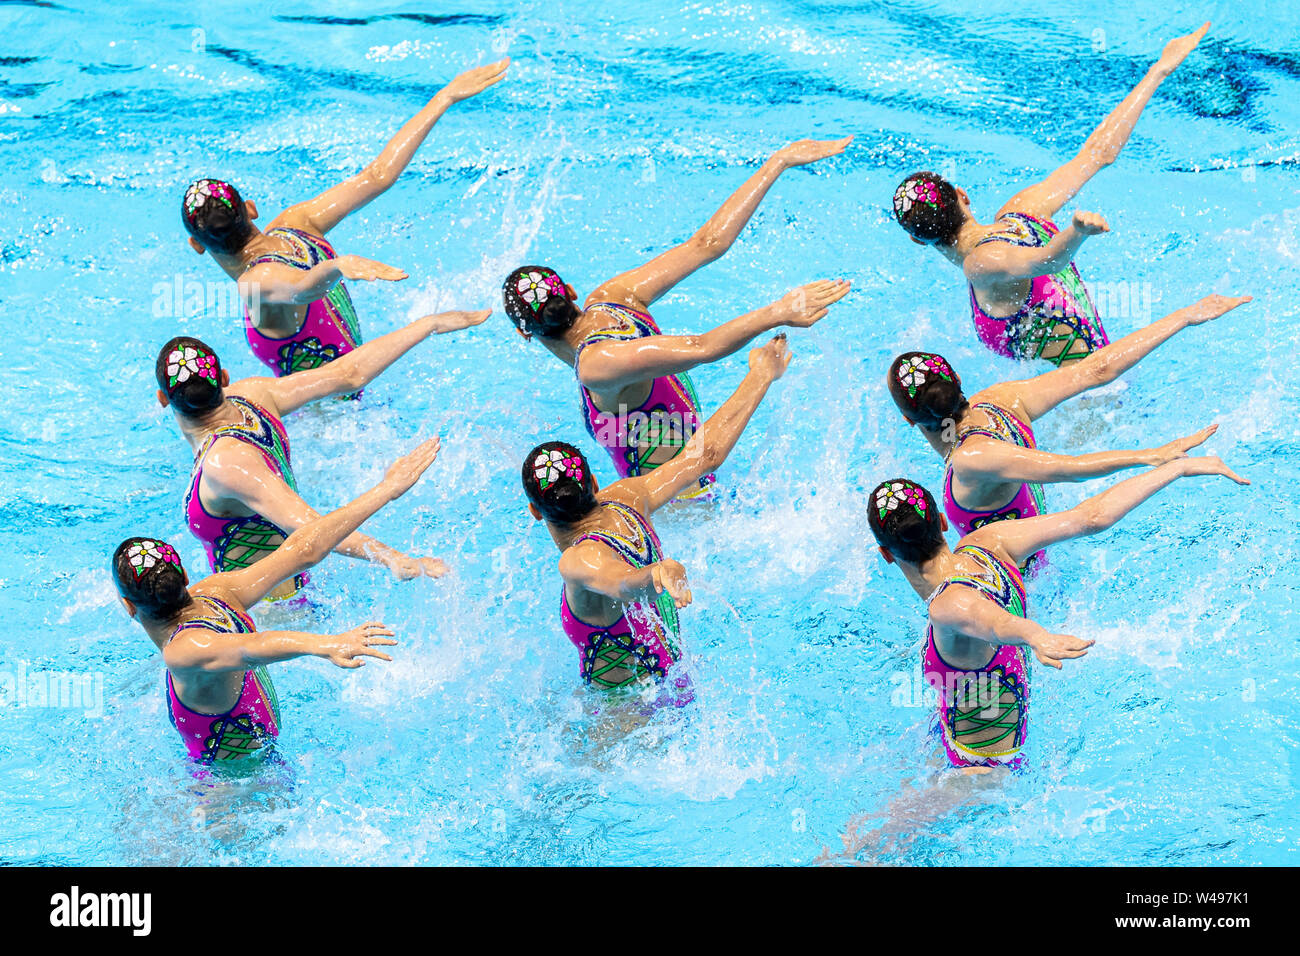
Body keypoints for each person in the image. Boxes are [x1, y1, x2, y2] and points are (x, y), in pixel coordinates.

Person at [503, 135, 852, 496]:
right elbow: (706, 245)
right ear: (571, 292)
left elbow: (701, 347)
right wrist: (776, 162)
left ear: (524, 334)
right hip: (703, 473)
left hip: (683, 507)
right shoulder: (614, 296)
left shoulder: (596, 364)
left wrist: (777, 312)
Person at [867, 456, 1248, 769]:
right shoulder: (988, 542)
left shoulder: (946, 606)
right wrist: (1176, 468)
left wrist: (1035, 635)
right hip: (963, 730)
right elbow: (1091, 517)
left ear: (885, 554)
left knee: (860, 848)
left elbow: (992, 621)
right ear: (944, 522)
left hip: (980, 775)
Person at [891, 24, 1210, 365]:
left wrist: (1077, 232)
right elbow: (1096, 156)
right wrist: (1157, 71)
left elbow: (1047, 260)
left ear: (918, 240)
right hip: (1107, 376)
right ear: (962, 195)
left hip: (1090, 407)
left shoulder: (979, 265)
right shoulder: (1019, 211)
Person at [111, 438, 441, 764]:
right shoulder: (215, 593)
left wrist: (325, 645)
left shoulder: (182, 653)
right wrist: (385, 489)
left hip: (230, 794)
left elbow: (250, 648)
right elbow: (302, 551)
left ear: (128, 606)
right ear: (184, 578)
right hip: (270, 761)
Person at [181, 58, 509, 377]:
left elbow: (302, 287)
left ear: (196, 244)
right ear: (251, 209)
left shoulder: (254, 282)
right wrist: (443, 97)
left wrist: (336, 267)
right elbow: (378, 175)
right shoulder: (296, 222)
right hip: (360, 391)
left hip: (326, 423)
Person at [885, 293, 1251, 570]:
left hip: (1018, 592)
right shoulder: (1000, 399)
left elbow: (1069, 468)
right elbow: (1096, 370)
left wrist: (1148, 457)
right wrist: (1183, 316)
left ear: (909, 421)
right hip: (1043, 565)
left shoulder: (972, 459)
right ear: (959, 382)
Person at [521, 335, 793, 694]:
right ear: (594, 482)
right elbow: (704, 455)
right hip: (678, 684)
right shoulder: (625, 498)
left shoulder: (577, 560)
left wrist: (653, 574)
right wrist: (761, 374)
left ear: (534, 513)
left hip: (627, 720)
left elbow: (620, 582)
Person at [156, 308, 488, 598]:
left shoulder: (226, 463)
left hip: (274, 611)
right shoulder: (252, 396)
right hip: (296, 589)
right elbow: (348, 374)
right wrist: (426, 324)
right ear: (224, 379)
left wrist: (391, 556)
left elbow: (310, 532)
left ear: (163, 399)